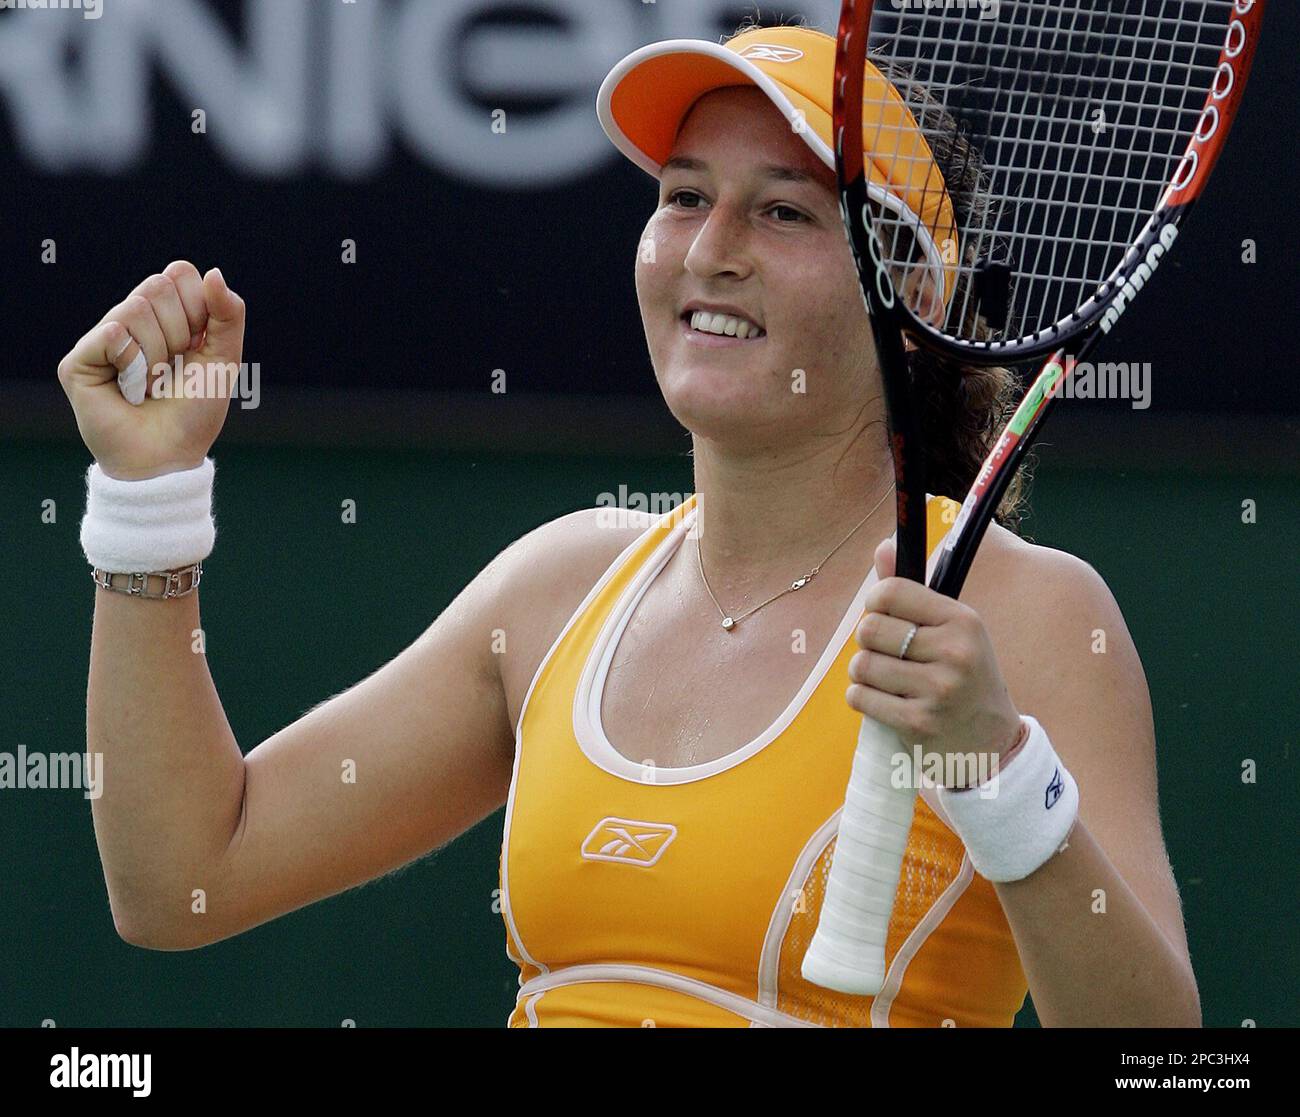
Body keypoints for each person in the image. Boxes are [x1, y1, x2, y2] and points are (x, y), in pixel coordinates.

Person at [57, 21, 1198, 1028]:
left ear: (910, 302)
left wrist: (999, 776)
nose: (711, 251)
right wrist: (145, 503)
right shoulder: (554, 586)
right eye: (684, 196)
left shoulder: (1028, 611)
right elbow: (180, 881)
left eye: (785, 211)